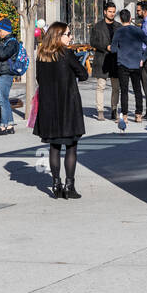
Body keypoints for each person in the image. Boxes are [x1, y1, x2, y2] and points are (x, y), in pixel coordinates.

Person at [33, 22, 88, 199]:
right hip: (67, 105)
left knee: (54, 146)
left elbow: (39, 79)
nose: (71, 37)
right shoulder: (67, 54)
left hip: (49, 106)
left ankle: (56, 184)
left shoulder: (42, 55)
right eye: (68, 34)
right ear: (58, 36)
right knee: (71, 146)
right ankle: (69, 186)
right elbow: (84, 75)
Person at [110, 10, 147, 130]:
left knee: (124, 90)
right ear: (130, 18)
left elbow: (113, 49)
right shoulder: (138, 30)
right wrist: (143, 58)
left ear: (121, 19)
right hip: (136, 63)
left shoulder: (118, 32)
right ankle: (138, 114)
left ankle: (125, 115)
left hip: (122, 63)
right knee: (137, 89)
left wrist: (120, 51)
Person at [89, 2, 117, 120]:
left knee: (116, 87)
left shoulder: (118, 26)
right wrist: (106, 47)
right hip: (102, 59)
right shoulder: (97, 26)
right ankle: (100, 110)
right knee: (101, 86)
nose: (112, 14)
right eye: (110, 11)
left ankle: (114, 109)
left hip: (115, 60)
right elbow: (93, 42)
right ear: (105, 12)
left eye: (114, 11)